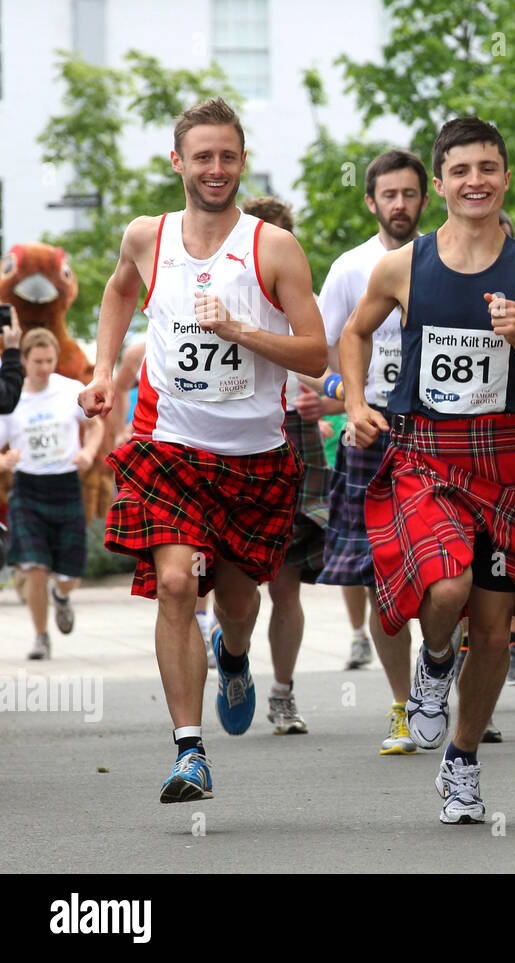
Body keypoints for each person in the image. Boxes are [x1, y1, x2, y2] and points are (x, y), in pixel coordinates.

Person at [339, 117, 515, 824]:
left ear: (506, 177)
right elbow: (354, 332)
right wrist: (355, 400)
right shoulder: (403, 266)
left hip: (506, 459)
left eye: (489, 167)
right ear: (440, 185)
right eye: (461, 170)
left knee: (493, 630)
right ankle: (432, 663)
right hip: (426, 454)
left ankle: (462, 762)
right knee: (448, 582)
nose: (476, 181)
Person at [79, 97, 327, 803]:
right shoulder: (145, 236)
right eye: (203, 156)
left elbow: (315, 352)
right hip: (172, 448)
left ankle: (236, 653)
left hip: (255, 457)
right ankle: (190, 751)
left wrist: (245, 332)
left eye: (227, 156)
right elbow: (119, 292)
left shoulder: (271, 248)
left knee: (241, 602)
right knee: (180, 583)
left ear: (241, 162)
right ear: (177, 161)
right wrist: (101, 373)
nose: (215, 168)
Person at [317, 150, 429, 754]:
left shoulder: (442, 260)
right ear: (371, 201)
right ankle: (402, 708)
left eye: (410, 194)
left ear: (424, 199)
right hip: (369, 438)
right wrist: (349, 401)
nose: (400, 205)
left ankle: (441, 676)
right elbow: (316, 356)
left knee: (449, 575)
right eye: (389, 195)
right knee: (383, 576)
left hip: (436, 435)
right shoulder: (349, 269)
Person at [240, 195, 331, 735]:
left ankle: (281, 692)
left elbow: (330, 370)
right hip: (232, 439)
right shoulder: (220, 295)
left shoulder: (304, 300)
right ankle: (230, 645)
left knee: (285, 584)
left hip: (293, 440)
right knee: (237, 579)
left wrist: (333, 397)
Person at [0, 328, 104, 658]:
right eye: (37, 361)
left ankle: (62, 595)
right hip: (28, 488)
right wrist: (5, 461)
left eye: (49, 360)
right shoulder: (11, 397)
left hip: (66, 485)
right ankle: (41, 638)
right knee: (34, 566)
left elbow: (96, 424)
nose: (44, 367)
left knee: (70, 572)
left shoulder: (70, 390)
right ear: (25, 361)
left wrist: (88, 452)